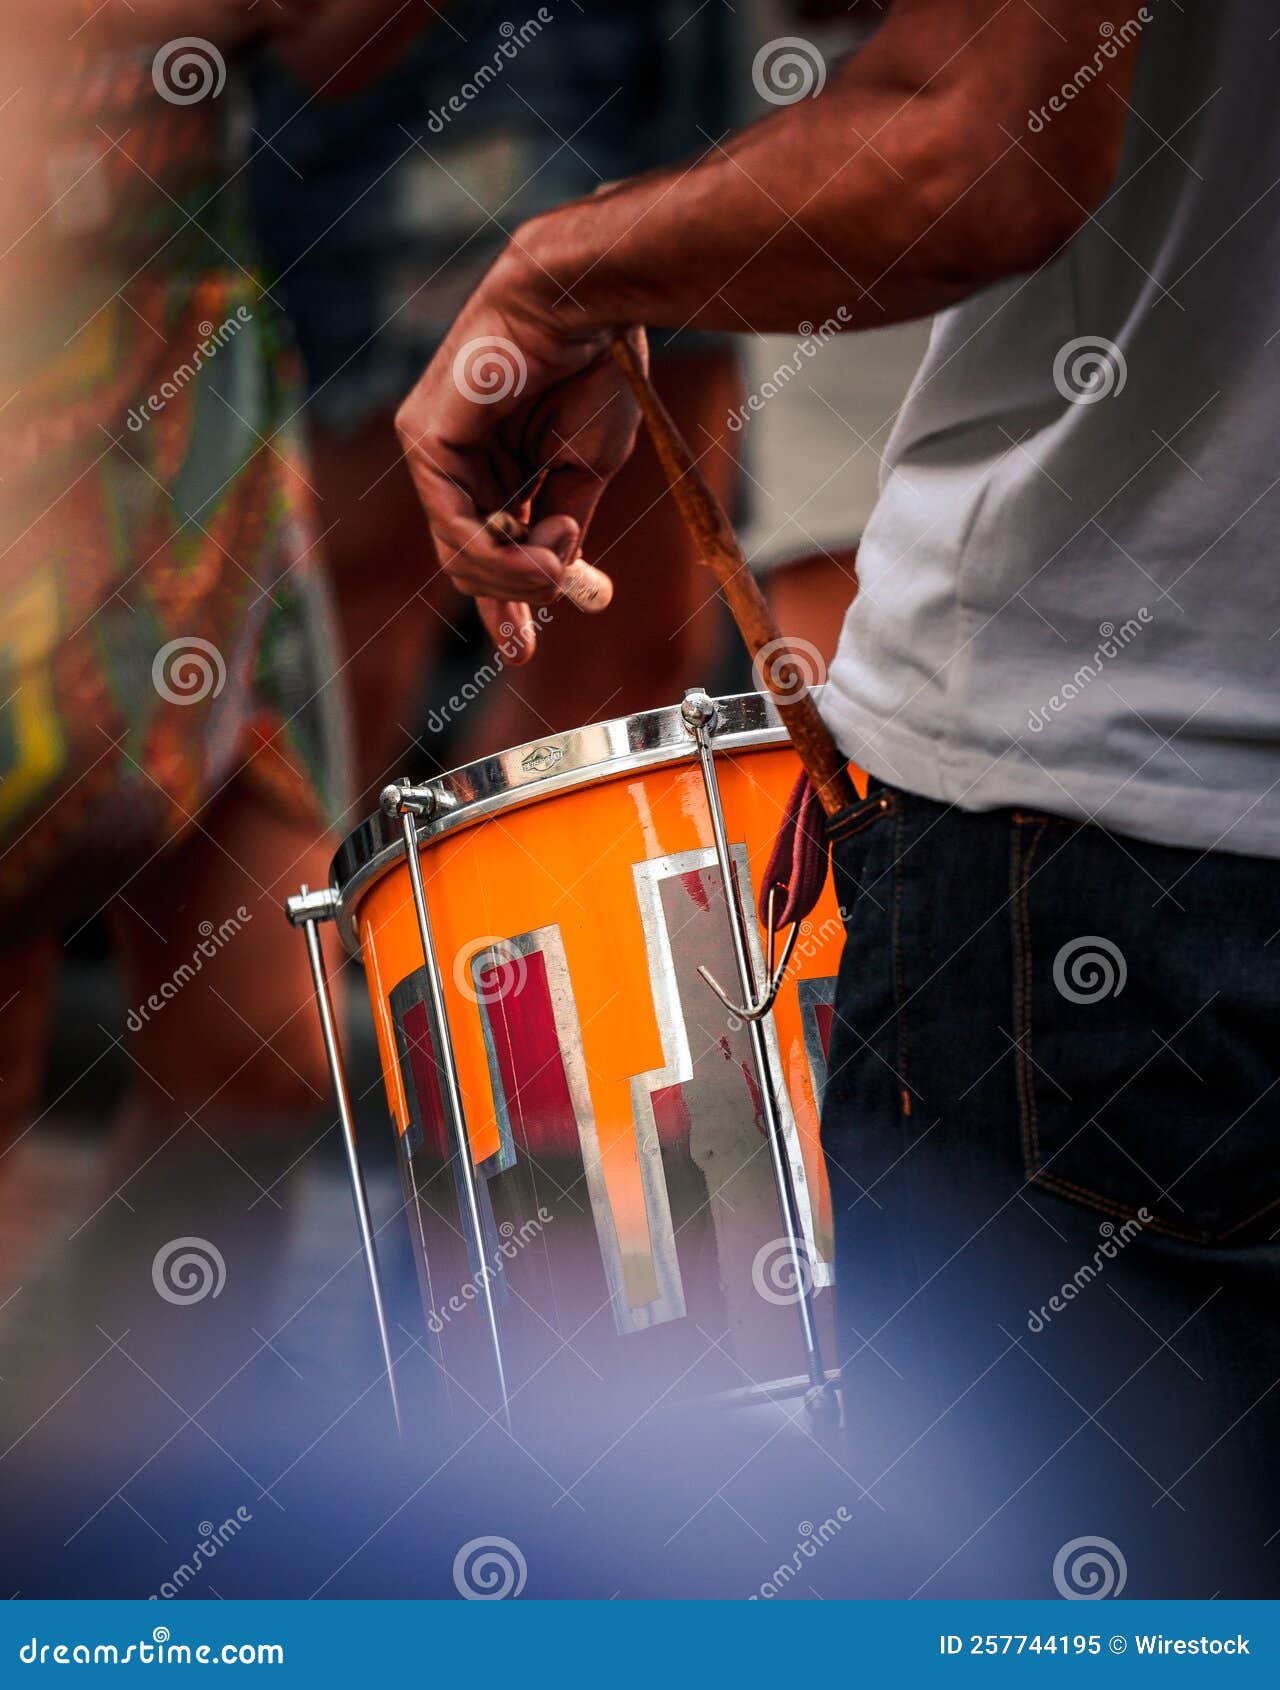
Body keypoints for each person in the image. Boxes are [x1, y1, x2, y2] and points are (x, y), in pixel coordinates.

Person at [395, 2, 1280, 1596]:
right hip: (1129, 869)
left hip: (1110, 854)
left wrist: (565, 275)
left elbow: (982, 138)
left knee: (1062, 1608)